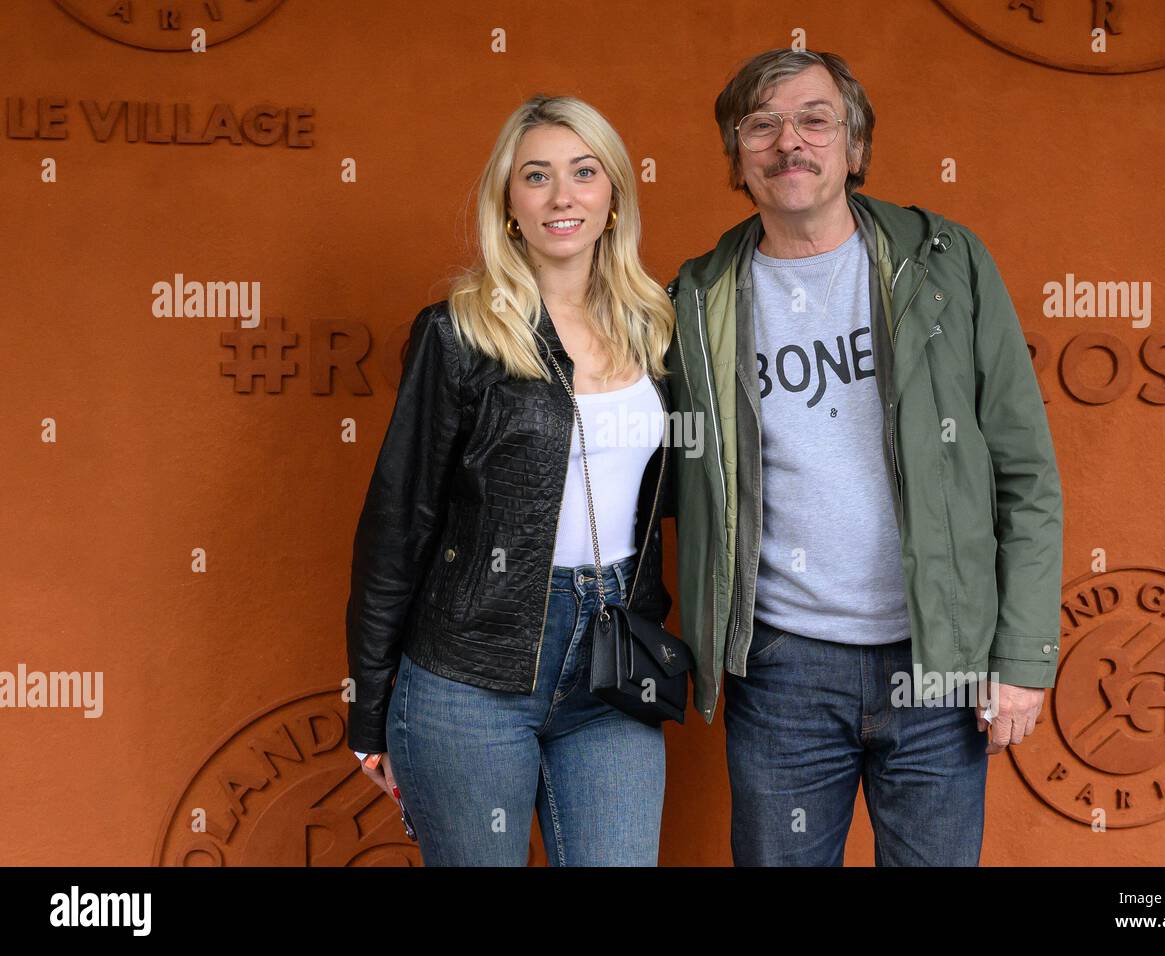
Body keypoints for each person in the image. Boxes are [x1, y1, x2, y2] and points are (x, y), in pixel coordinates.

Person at [663, 49, 1065, 865]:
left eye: (815, 120)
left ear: (854, 145)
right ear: (737, 154)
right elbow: (664, 475)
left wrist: (1021, 659)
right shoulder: (696, 296)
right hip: (782, 667)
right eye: (762, 125)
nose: (790, 144)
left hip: (939, 659)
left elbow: (1025, 473)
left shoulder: (946, 262)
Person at [344, 94, 678, 866]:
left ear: (614, 194)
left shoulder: (658, 327)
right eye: (537, 176)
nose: (563, 196)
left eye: (584, 172)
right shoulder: (459, 332)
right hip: (471, 674)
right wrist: (368, 707)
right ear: (509, 203)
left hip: (614, 661)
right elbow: (398, 523)